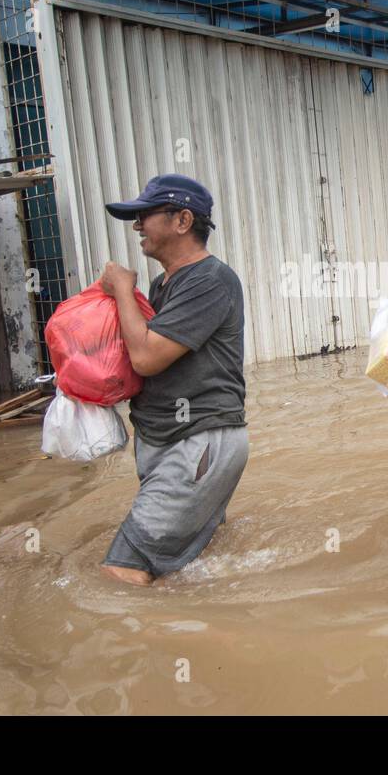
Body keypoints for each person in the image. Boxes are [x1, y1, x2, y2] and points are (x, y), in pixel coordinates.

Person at [97, 174, 248, 586]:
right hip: (172, 442)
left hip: (196, 442)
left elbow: (145, 357)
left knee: (121, 571)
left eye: (144, 216)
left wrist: (122, 291)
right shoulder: (165, 283)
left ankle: (158, 645)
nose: (137, 226)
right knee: (184, 571)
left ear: (182, 221)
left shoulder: (209, 280)